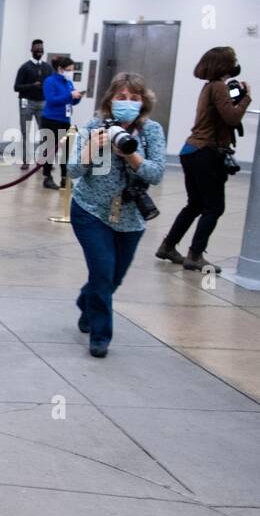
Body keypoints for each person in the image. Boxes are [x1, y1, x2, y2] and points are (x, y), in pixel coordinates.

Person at [68, 73, 165, 358]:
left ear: (143, 103)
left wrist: (131, 156)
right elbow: (73, 171)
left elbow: (156, 173)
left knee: (114, 278)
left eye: (134, 98)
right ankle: (100, 335)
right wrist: (92, 148)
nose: (127, 103)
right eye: (121, 97)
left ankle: (87, 303)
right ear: (110, 100)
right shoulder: (94, 127)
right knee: (102, 273)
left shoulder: (151, 131)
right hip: (91, 211)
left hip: (131, 217)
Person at [157, 46, 252, 272]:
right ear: (224, 64)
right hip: (206, 153)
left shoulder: (210, 86)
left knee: (196, 204)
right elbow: (230, 117)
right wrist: (246, 98)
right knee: (214, 207)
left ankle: (168, 246)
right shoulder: (219, 87)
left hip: (192, 150)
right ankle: (195, 255)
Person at [40, 54, 82, 190]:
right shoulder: (50, 81)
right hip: (51, 119)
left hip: (65, 120)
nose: (71, 73)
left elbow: (71, 101)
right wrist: (69, 95)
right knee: (50, 150)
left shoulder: (68, 82)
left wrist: (76, 97)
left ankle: (65, 177)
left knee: (66, 151)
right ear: (60, 69)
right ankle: (47, 177)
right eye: (69, 69)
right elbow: (51, 100)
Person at [14, 39, 49, 169]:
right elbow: (16, 87)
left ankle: (43, 159)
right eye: (37, 48)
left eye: (41, 48)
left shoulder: (47, 67)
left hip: (43, 103)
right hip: (26, 102)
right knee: (26, 132)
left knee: (45, 131)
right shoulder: (25, 67)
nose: (39, 50)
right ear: (32, 50)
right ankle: (25, 160)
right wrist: (32, 86)